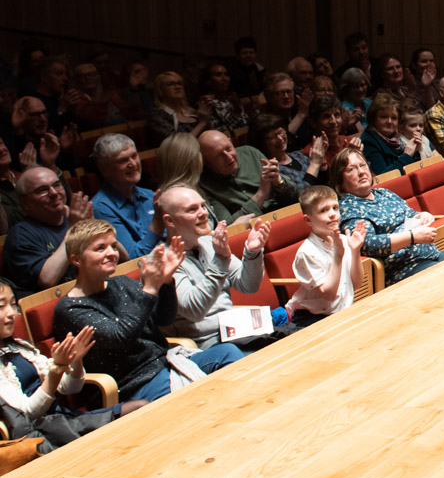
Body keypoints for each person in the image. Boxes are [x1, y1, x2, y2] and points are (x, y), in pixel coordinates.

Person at [52, 221, 243, 402]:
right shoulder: (70, 308)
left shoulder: (121, 282)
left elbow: (163, 319)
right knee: (205, 393)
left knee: (227, 352)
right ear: (76, 259)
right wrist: (150, 288)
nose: (111, 253)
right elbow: (121, 337)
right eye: (100, 248)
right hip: (130, 385)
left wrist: (166, 283)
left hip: (165, 364)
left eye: (114, 246)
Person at [0, 273, 143, 449]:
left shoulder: (20, 347)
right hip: (40, 436)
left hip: (62, 419)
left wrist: (75, 361)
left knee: (141, 409)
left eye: (13, 304)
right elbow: (29, 413)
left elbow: (71, 387)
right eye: (1, 306)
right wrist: (56, 370)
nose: (11, 313)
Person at [154, 186, 272, 347]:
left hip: (238, 331)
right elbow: (194, 310)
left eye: (203, 206)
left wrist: (253, 251)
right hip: (207, 344)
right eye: (192, 209)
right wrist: (220, 259)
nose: (203, 213)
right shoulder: (161, 262)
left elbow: (248, 285)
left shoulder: (209, 243)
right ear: (169, 220)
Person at [331, 149, 444, 284]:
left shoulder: (383, 193)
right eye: (351, 169)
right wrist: (412, 237)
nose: (361, 172)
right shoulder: (348, 208)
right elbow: (368, 245)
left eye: (362, 165)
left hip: (432, 255)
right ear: (340, 180)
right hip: (404, 270)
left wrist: (421, 215)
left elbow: (410, 215)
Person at [5, 168, 102, 296]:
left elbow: (123, 258)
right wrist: (74, 229)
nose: (54, 193)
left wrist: (96, 227)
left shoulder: (77, 217)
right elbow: (47, 279)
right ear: (24, 203)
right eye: (43, 190)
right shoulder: (20, 235)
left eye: (57, 185)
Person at [285, 186, 366, 327]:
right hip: (311, 318)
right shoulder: (307, 252)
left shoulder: (344, 240)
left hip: (341, 311)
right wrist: (338, 257)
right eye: (324, 210)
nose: (333, 214)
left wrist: (355, 251)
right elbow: (329, 294)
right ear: (308, 220)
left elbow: (357, 284)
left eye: (335, 208)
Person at [196, 130, 293, 224]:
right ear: (206, 163)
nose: (229, 157)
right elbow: (229, 226)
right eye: (219, 156)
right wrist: (261, 193)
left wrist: (278, 182)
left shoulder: (249, 152)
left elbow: (294, 196)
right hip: (252, 230)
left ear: (231, 142)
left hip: (285, 214)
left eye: (229, 148)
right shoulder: (204, 184)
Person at [89, 134, 158, 259]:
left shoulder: (149, 194)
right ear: (105, 169)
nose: (133, 164)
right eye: (123, 160)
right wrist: (157, 223)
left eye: (134, 156)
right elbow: (133, 258)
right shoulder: (100, 209)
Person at [361, 93, 424, 176]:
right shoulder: (368, 141)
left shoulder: (398, 138)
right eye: (384, 117)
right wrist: (407, 155)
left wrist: (416, 152)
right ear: (373, 119)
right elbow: (383, 176)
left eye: (394, 118)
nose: (389, 121)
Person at [147, 70, 209, 145]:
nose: (177, 87)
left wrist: (206, 113)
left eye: (180, 83)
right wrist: (202, 123)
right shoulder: (157, 116)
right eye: (170, 84)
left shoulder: (191, 111)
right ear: (160, 90)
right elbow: (177, 146)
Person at [260, 72, 313, 151]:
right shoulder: (264, 119)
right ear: (269, 97)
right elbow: (283, 141)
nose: (286, 96)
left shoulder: (297, 109)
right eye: (280, 93)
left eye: (289, 92)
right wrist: (301, 115)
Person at [195, 62, 248, 134]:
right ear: (208, 81)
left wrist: (237, 108)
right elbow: (217, 131)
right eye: (218, 75)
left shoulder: (232, 98)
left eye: (226, 74)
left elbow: (246, 124)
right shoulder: (206, 101)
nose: (225, 78)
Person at [227, 37, 266, 101]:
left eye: (251, 53)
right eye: (244, 53)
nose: (248, 56)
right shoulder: (231, 72)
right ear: (238, 56)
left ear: (255, 54)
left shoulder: (260, 70)